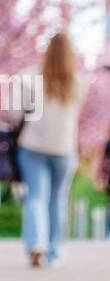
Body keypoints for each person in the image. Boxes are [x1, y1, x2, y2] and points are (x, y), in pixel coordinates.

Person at [16, 30, 84, 268]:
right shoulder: (77, 83)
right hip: (64, 150)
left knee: (35, 196)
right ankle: (54, 252)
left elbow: (16, 115)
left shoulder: (28, 78)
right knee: (57, 200)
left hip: (32, 146)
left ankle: (37, 244)